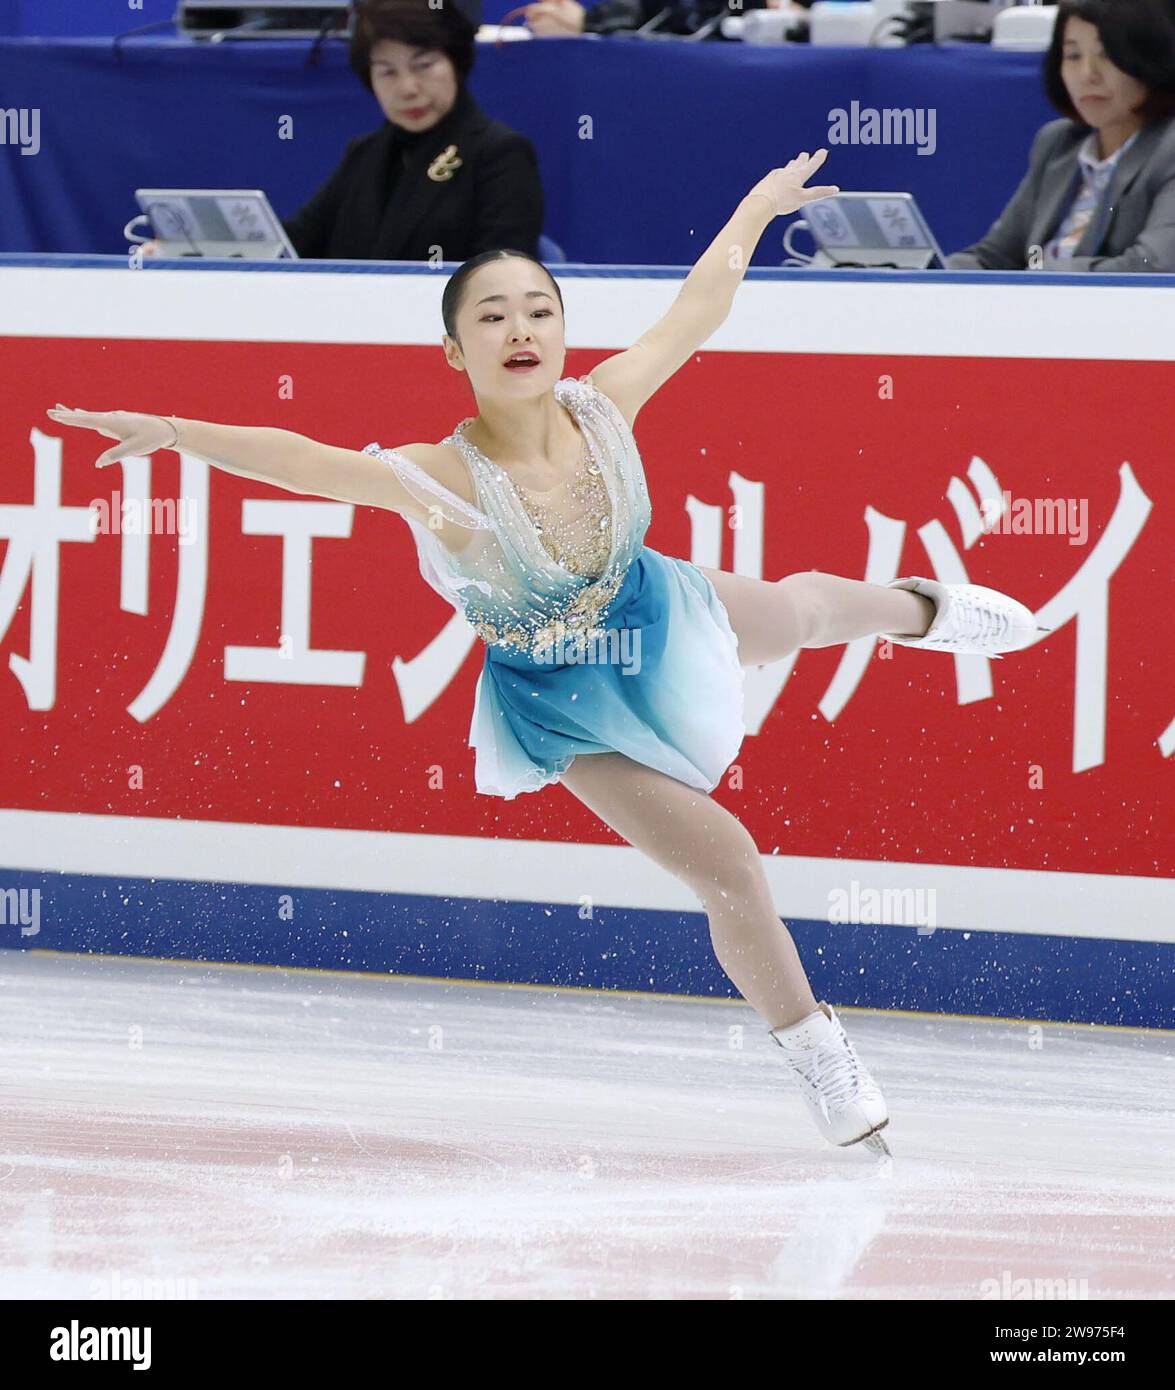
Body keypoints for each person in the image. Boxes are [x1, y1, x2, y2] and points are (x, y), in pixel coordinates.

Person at [47, 151, 1042, 1156]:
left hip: (652, 612)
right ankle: (816, 1049)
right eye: (491, 315)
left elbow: (698, 307)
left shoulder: (605, 404)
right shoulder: (438, 478)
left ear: (563, 331)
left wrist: (752, 207)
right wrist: (174, 431)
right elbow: (305, 461)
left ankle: (925, 606)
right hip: (561, 698)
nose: (519, 328)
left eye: (537, 309)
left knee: (805, 609)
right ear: (452, 351)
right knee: (728, 862)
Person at [141, 0, 544, 262]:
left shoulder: (499, 153)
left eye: (424, 66)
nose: (408, 87)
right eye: (387, 72)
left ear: (456, 62)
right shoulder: (365, 153)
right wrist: (196, 254)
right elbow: (294, 245)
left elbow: (502, 279)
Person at [946, 0, 1175, 272]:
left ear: (1153, 58)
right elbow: (996, 257)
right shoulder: (1058, 142)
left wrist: (1040, 277)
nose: (1087, 74)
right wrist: (922, 270)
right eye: (1073, 56)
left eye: (1107, 54)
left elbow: (1154, 265)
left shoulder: (1168, 148)